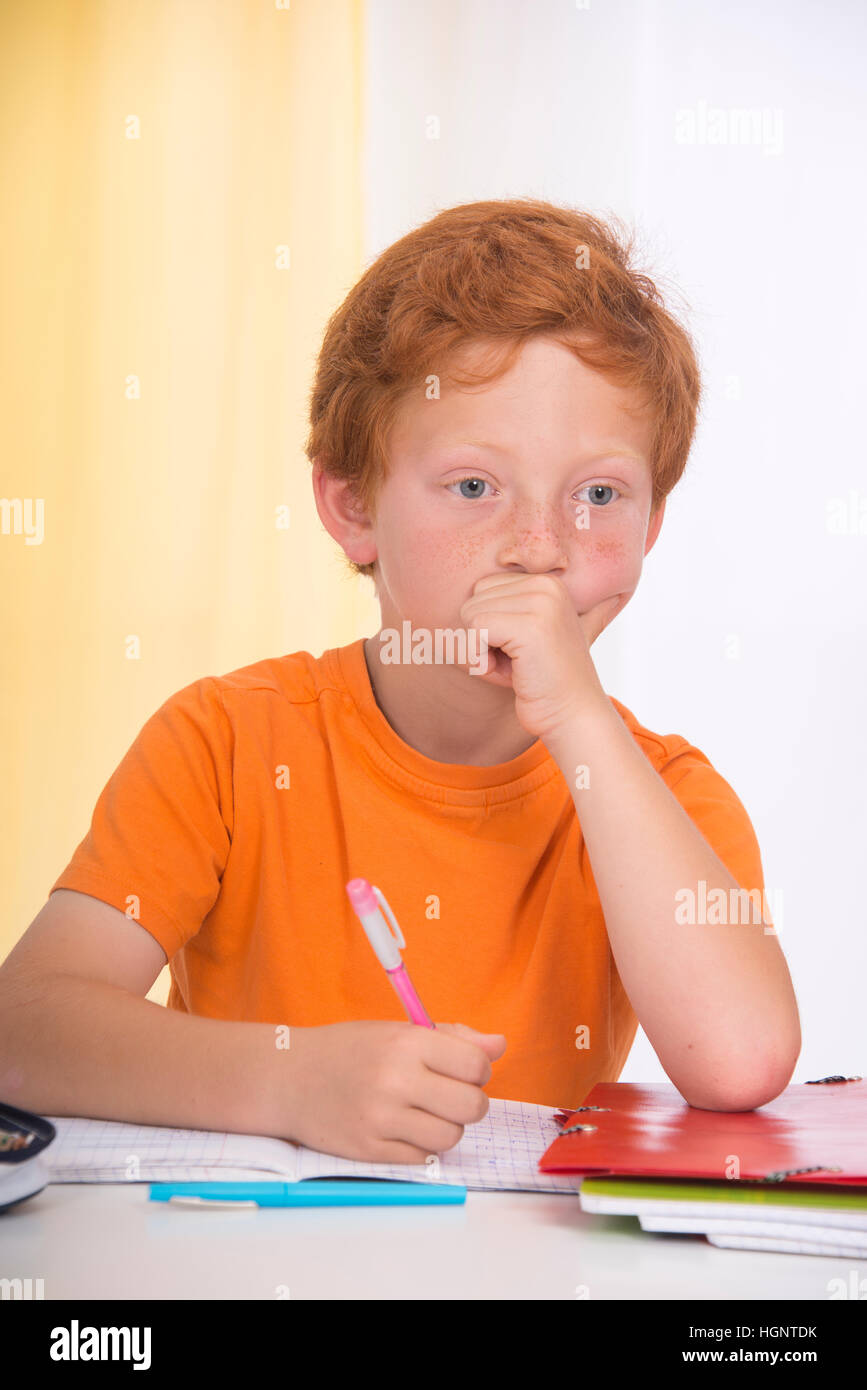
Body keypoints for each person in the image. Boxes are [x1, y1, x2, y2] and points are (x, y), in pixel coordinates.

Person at [0, 198, 800, 1165]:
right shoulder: (225, 742)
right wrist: (291, 1080)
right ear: (352, 508)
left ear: (650, 531)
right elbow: (26, 1028)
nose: (538, 548)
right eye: (473, 486)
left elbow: (742, 1061)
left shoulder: (664, 797)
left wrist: (583, 726)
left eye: (598, 494)